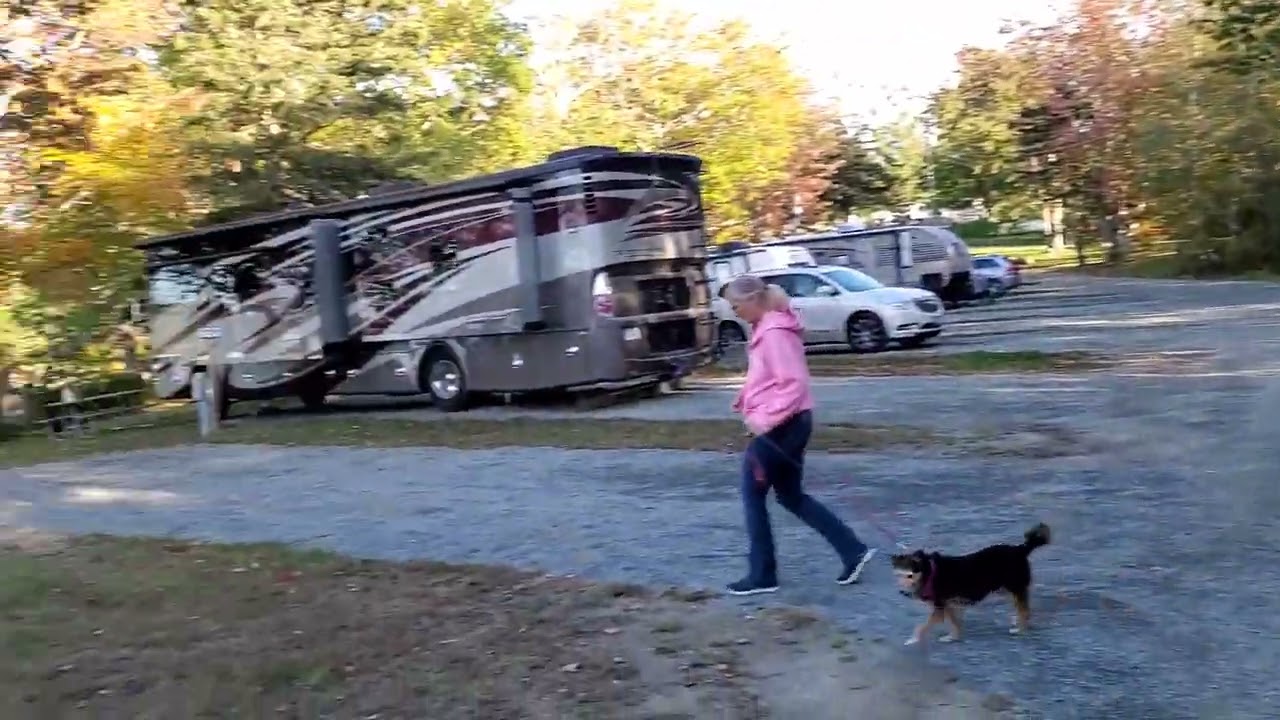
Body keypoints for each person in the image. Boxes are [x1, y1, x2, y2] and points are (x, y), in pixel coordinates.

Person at [723, 275, 876, 596]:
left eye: (736, 305)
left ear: (753, 300)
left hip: (781, 426)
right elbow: (769, 378)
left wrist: (763, 419)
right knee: (790, 495)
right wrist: (746, 399)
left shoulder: (774, 332)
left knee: (753, 495)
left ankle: (763, 575)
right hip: (789, 423)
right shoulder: (770, 327)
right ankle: (853, 551)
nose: (734, 312)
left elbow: (793, 383)